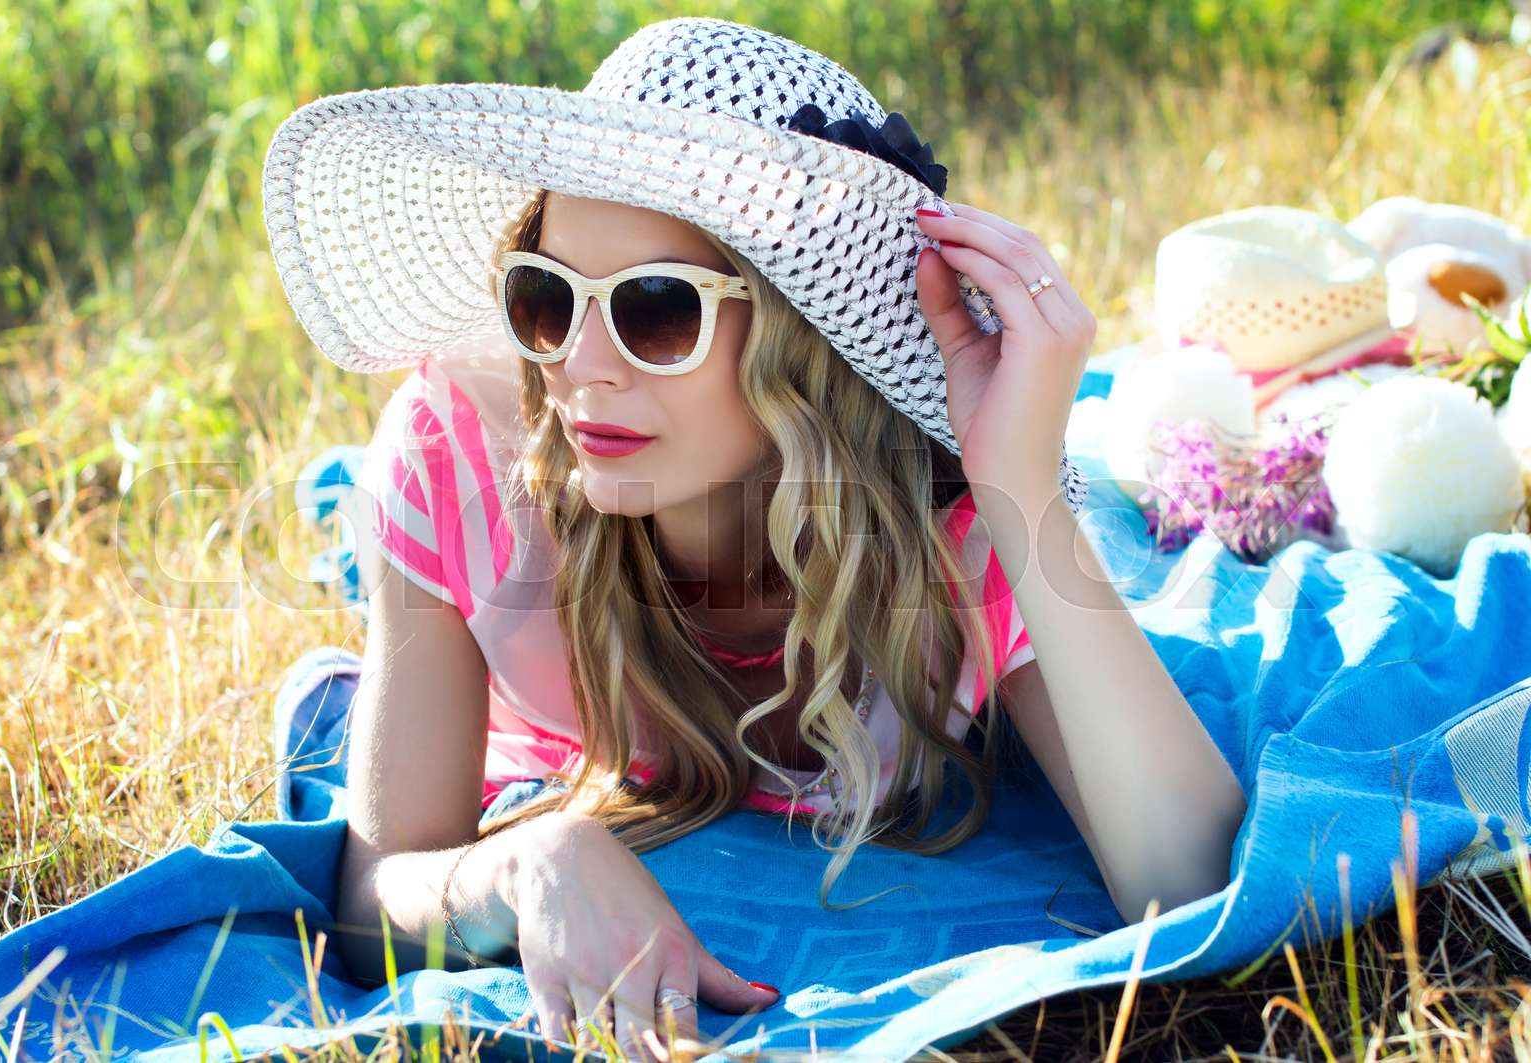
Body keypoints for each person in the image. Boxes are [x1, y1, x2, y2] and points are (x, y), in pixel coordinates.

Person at [260, 15, 1247, 1061]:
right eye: (545, 297)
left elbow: (1187, 879)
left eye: (653, 309)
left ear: (801, 337)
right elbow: (370, 904)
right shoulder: (460, 457)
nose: (580, 366)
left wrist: (1021, 490)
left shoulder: (949, 521)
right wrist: (523, 867)